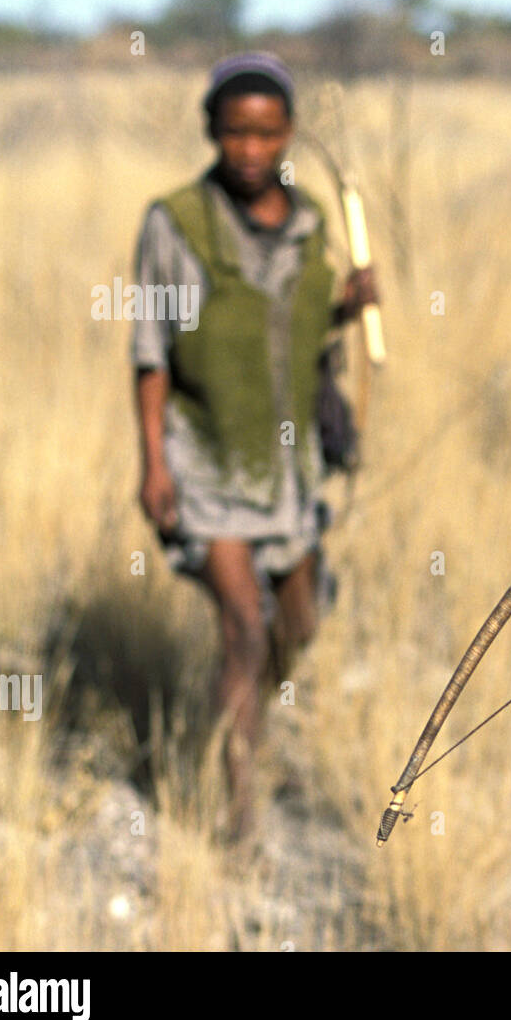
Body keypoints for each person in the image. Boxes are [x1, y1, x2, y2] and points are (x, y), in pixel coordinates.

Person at [132, 52, 377, 840]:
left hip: (287, 463)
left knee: (295, 622)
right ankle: (236, 806)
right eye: (234, 132)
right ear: (211, 131)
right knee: (242, 620)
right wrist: (153, 462)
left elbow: (293, 334)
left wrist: (347, 306)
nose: (249, 149)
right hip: (203, 458)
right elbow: (151, 351)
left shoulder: (310, 224)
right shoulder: (175, 223)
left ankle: (247, 711)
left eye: (266, 134)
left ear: (288, 136)